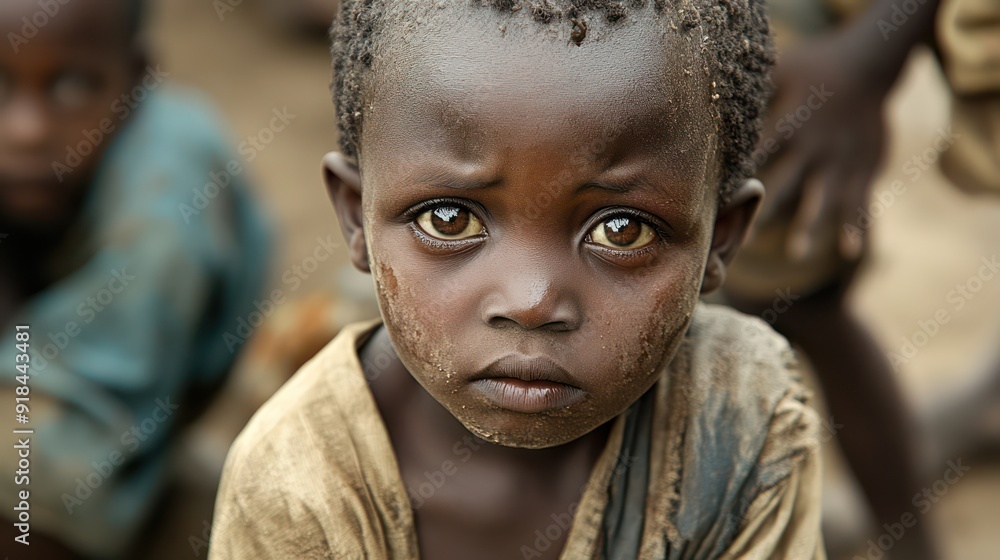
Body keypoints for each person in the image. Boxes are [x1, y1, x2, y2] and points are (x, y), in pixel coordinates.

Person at [210, 1, 827, 558]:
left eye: (622, 231)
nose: (531, 303)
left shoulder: (742, 424)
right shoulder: (294, 486)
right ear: (355, 215)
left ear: (721, 236)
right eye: (449, 220)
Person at [0, 0, 270, 557]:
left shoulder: (165, 202)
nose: (27, 130)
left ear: (138, 74)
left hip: (131, 401)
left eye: (73, 85)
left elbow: (41, 485)